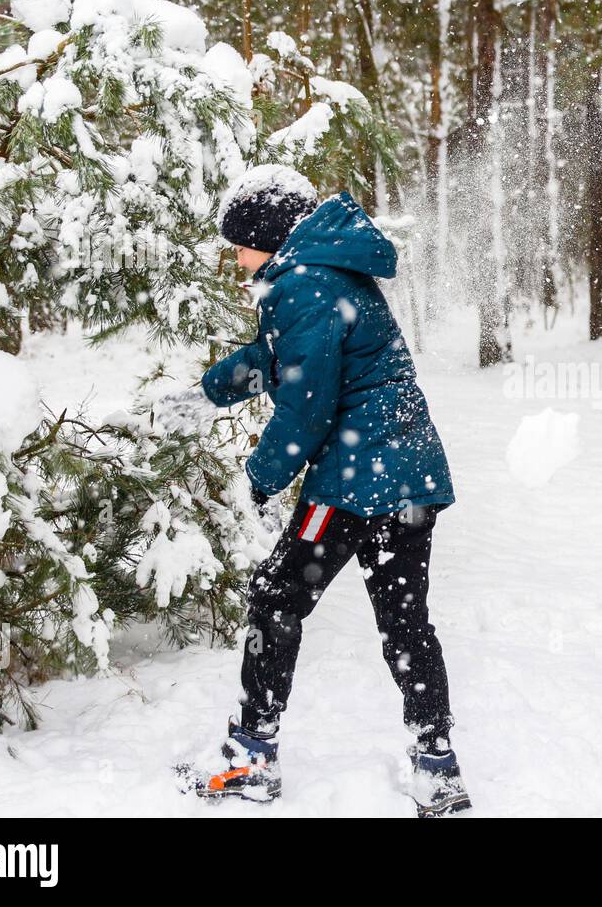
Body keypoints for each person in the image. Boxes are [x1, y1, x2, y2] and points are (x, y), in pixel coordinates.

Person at [163, 165, 469, 816]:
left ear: (269, 237)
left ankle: (250, 758)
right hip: (408, 476)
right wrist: (207, 394)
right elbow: (277, 359)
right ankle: (436, 764)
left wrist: (259, 479)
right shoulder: (327, 273)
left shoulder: (302, 284)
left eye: (241, 244)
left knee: (275, 597)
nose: (239, 258)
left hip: (354, 481)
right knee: (405, 620)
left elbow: (306, 404)